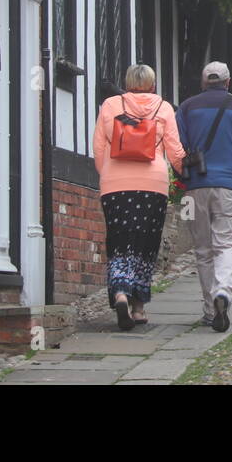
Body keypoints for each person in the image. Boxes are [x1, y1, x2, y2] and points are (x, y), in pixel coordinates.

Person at [91, 64, 186, 331]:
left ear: (127, 81)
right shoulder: (164, 108)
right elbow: (175, 150)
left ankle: (120, 291)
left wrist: (107, 174)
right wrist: (189, 175)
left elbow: (99, 147)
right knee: (145, 242)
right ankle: (138, 306)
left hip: (115, 185)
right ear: (153, 85)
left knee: (120, 239)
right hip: (152, 184)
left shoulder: (110, 105)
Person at [176, 61, 232, 332]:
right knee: (226, 244)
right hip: (229, 186)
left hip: (196, 187)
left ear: (203, 83)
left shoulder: (188, 107)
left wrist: (184, 175)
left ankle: (210, 309)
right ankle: (222, 292)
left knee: (203, 250)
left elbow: (176, 146)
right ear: (228, 82)